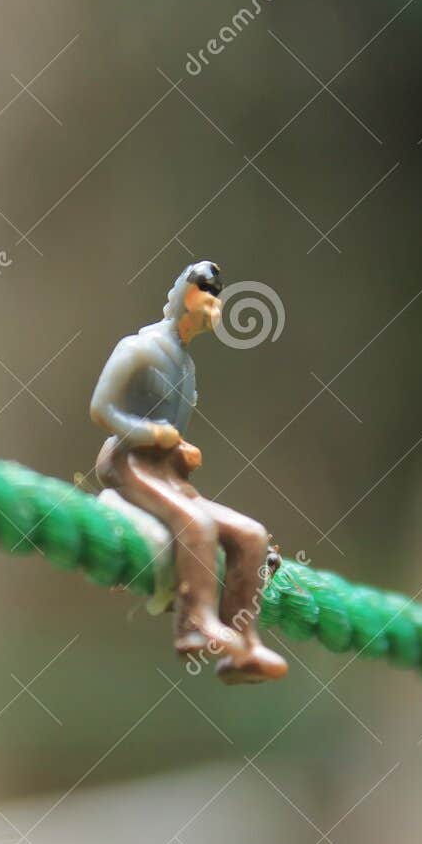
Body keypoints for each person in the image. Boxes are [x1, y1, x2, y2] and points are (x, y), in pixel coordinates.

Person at [90, 261, 288, 683]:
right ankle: (194, 625)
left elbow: (170, 426)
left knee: (251, 536)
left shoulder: (186, 366)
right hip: (128, 464)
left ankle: (242, 647)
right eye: (207, 298)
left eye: (217, 301)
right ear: (185, 299)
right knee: (196, 525)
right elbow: (102, 409)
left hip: (167, 471)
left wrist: (178, 447)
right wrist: (150, 434)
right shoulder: (140, 350)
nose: (214, 310)